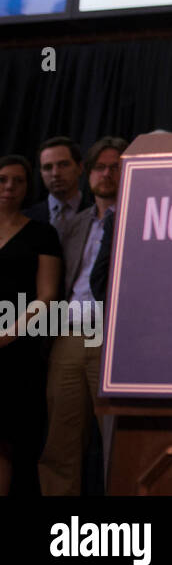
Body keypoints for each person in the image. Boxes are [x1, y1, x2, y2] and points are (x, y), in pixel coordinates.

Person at [38, 136, 124, 496]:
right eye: (100, 167)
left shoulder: (143, 216)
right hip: (70, 333)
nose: (106, 174)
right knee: (61, 439)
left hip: (116, 336)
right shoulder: (74, 224)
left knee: (116, 442)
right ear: (88, 173)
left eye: (115, 167)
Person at [0, 155, 60, 496]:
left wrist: (8, 334)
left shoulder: (41, 233)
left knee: (5, 441)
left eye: (18, 181)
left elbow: (47, 295)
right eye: (3, 179)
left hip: (17, 348)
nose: (10, 187)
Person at [23, 137, 90, 238]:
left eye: (63, 165)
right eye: (48, 167)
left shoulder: (98, 215)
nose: (55, 173)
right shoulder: (26, 218)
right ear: (41, 173)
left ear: (80, 167)